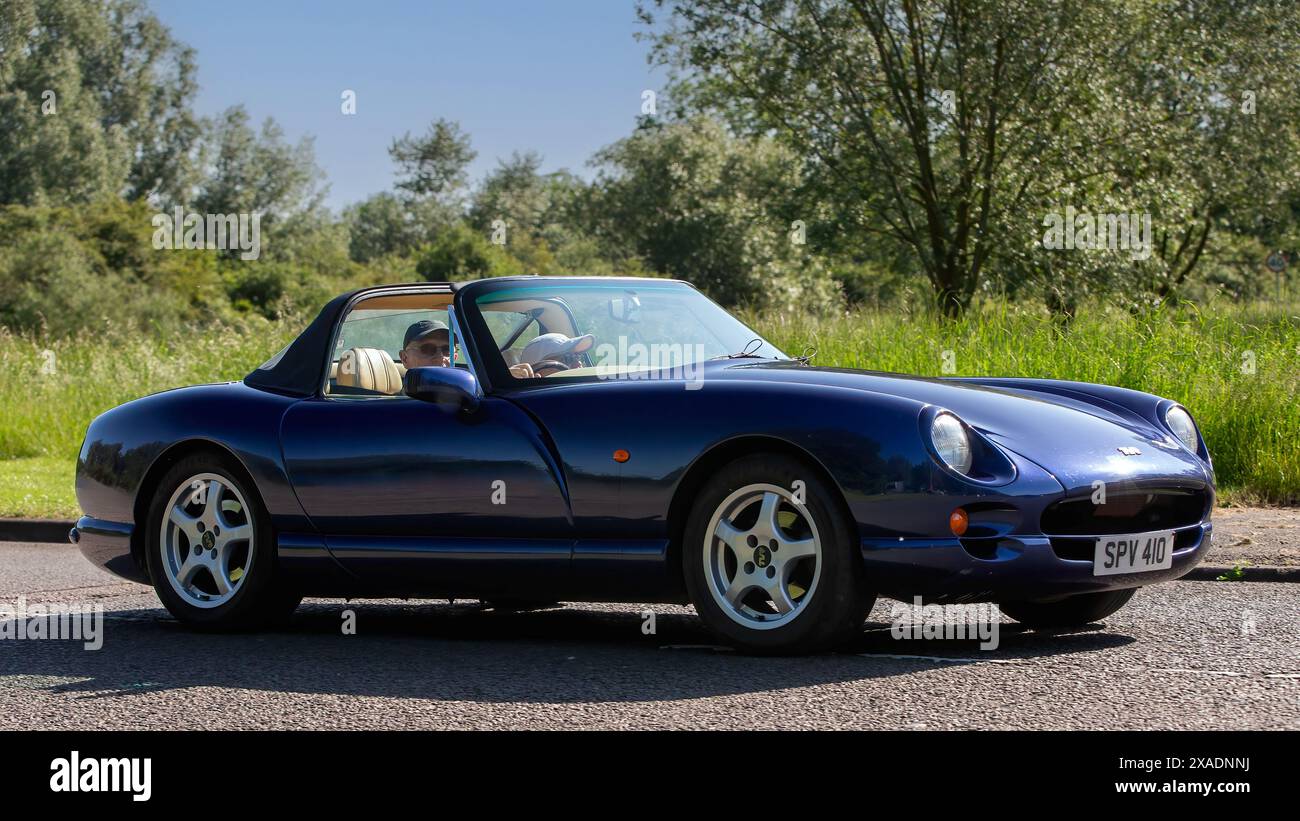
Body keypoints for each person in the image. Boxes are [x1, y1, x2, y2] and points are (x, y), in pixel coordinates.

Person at [400, 319, 535, 377]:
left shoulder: (464, 389)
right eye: (428, 349)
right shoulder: (397, 401)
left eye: (447, 350)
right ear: (404, 358)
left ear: (455, 356)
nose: (441, 357)